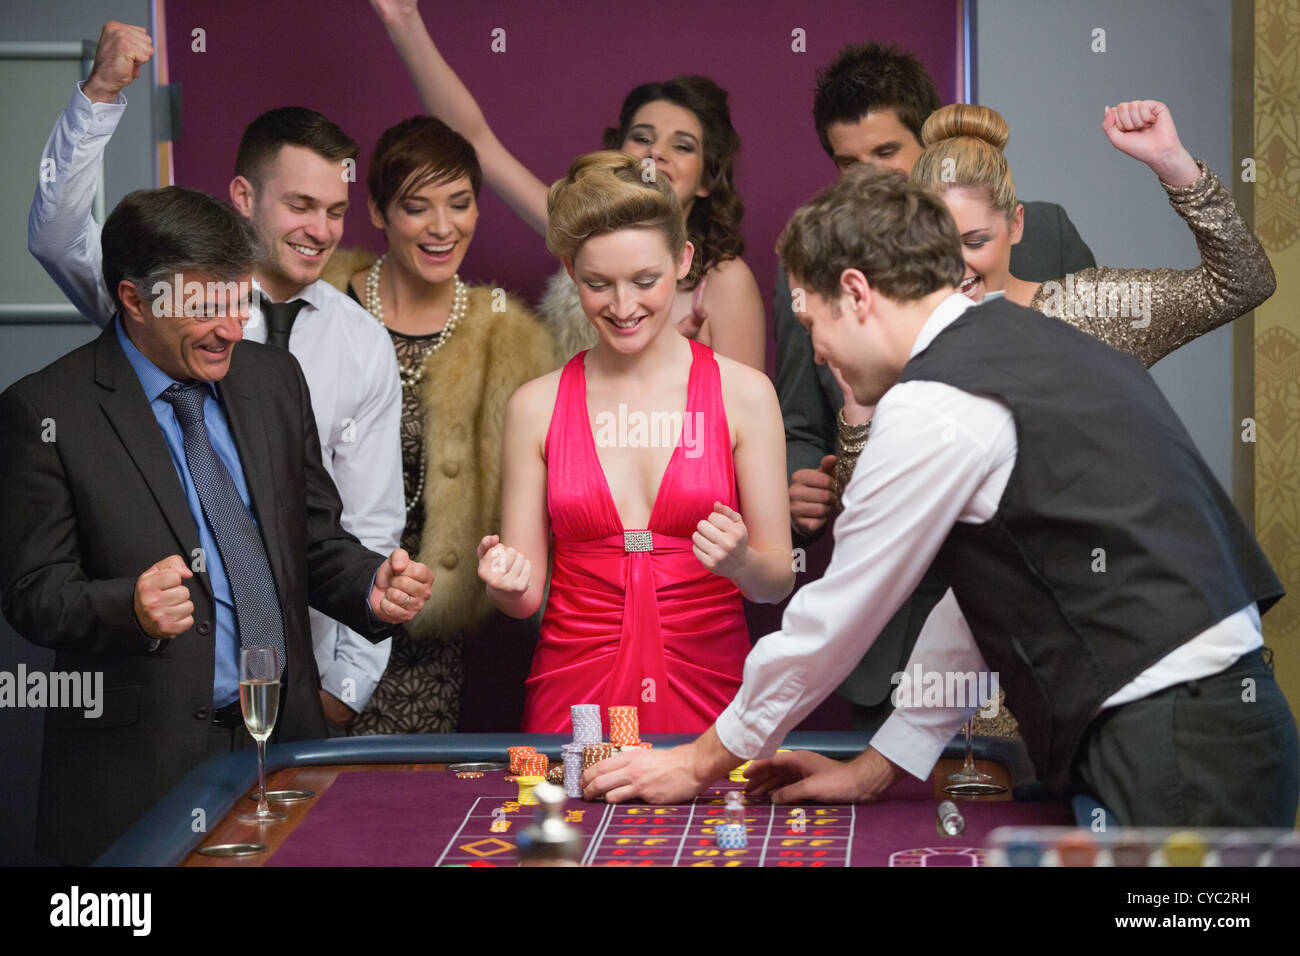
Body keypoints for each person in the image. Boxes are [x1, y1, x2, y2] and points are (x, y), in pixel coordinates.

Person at [581, 165, 1297, 829]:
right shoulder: (1025, 342)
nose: (817, 353)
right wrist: (875, 768)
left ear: (857, 293)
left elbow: (837, 618)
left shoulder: (934, 402)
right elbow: (992, 600)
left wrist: (697, 762)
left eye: (812, 323)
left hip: (1177, 740)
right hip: (1211, 724)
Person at [0, 187, 435, 865]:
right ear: (135, 300)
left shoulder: (273, 381)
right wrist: (129, 609)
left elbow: (314, 538)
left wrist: (368, 586)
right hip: (139, 771)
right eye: (205, 308)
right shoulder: (46, 411)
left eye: (240, 301)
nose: (231, 328)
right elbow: (34, 590)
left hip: (284, 746)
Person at [26, 21, 404, 733]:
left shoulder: (359, 340)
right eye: (299, 205)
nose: (320, 230)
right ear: (244, 197)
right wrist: (102, 94)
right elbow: (54, 234)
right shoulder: (152, 282)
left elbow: (361, 523)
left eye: (334, 210)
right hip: (160, 718)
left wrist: (341, 690)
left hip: (297, 699)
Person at [775, 42, 1095, 733]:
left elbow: (1098, 402)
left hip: (1039, 604)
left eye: (886, 154)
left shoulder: (1042, 235)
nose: (866, 178)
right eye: (847, 163)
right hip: (896, 620)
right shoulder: (811, 263)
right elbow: (801, 418)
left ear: (931, 144)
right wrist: (801, 474)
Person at [476, 152, 792, 733]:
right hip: (572, 692)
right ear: (572, 273)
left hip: (712, 691)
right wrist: (505, 585)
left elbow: (777, 580)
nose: (623, 308)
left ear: (683, 260)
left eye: (645, 281)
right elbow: (523, 601)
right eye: (598, 285)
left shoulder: (746, 395)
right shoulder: (535, 406)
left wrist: (743, 561)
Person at [319, 116, 557, 732]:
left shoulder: (508, 337)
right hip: (313, 611)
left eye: (460, 204)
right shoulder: (318, 304)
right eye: (417, 207)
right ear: (375, 209)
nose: (442, 227)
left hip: (427, 632)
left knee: (401, 812)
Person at [370, 0, 765, 370]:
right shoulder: (578, 229)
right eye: (642, 137)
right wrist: (403, 21)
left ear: (706, 180)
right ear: (617, 153)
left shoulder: (725, 280)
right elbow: (476, 141)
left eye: (682, 146)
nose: (656, 152)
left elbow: (744, 420)